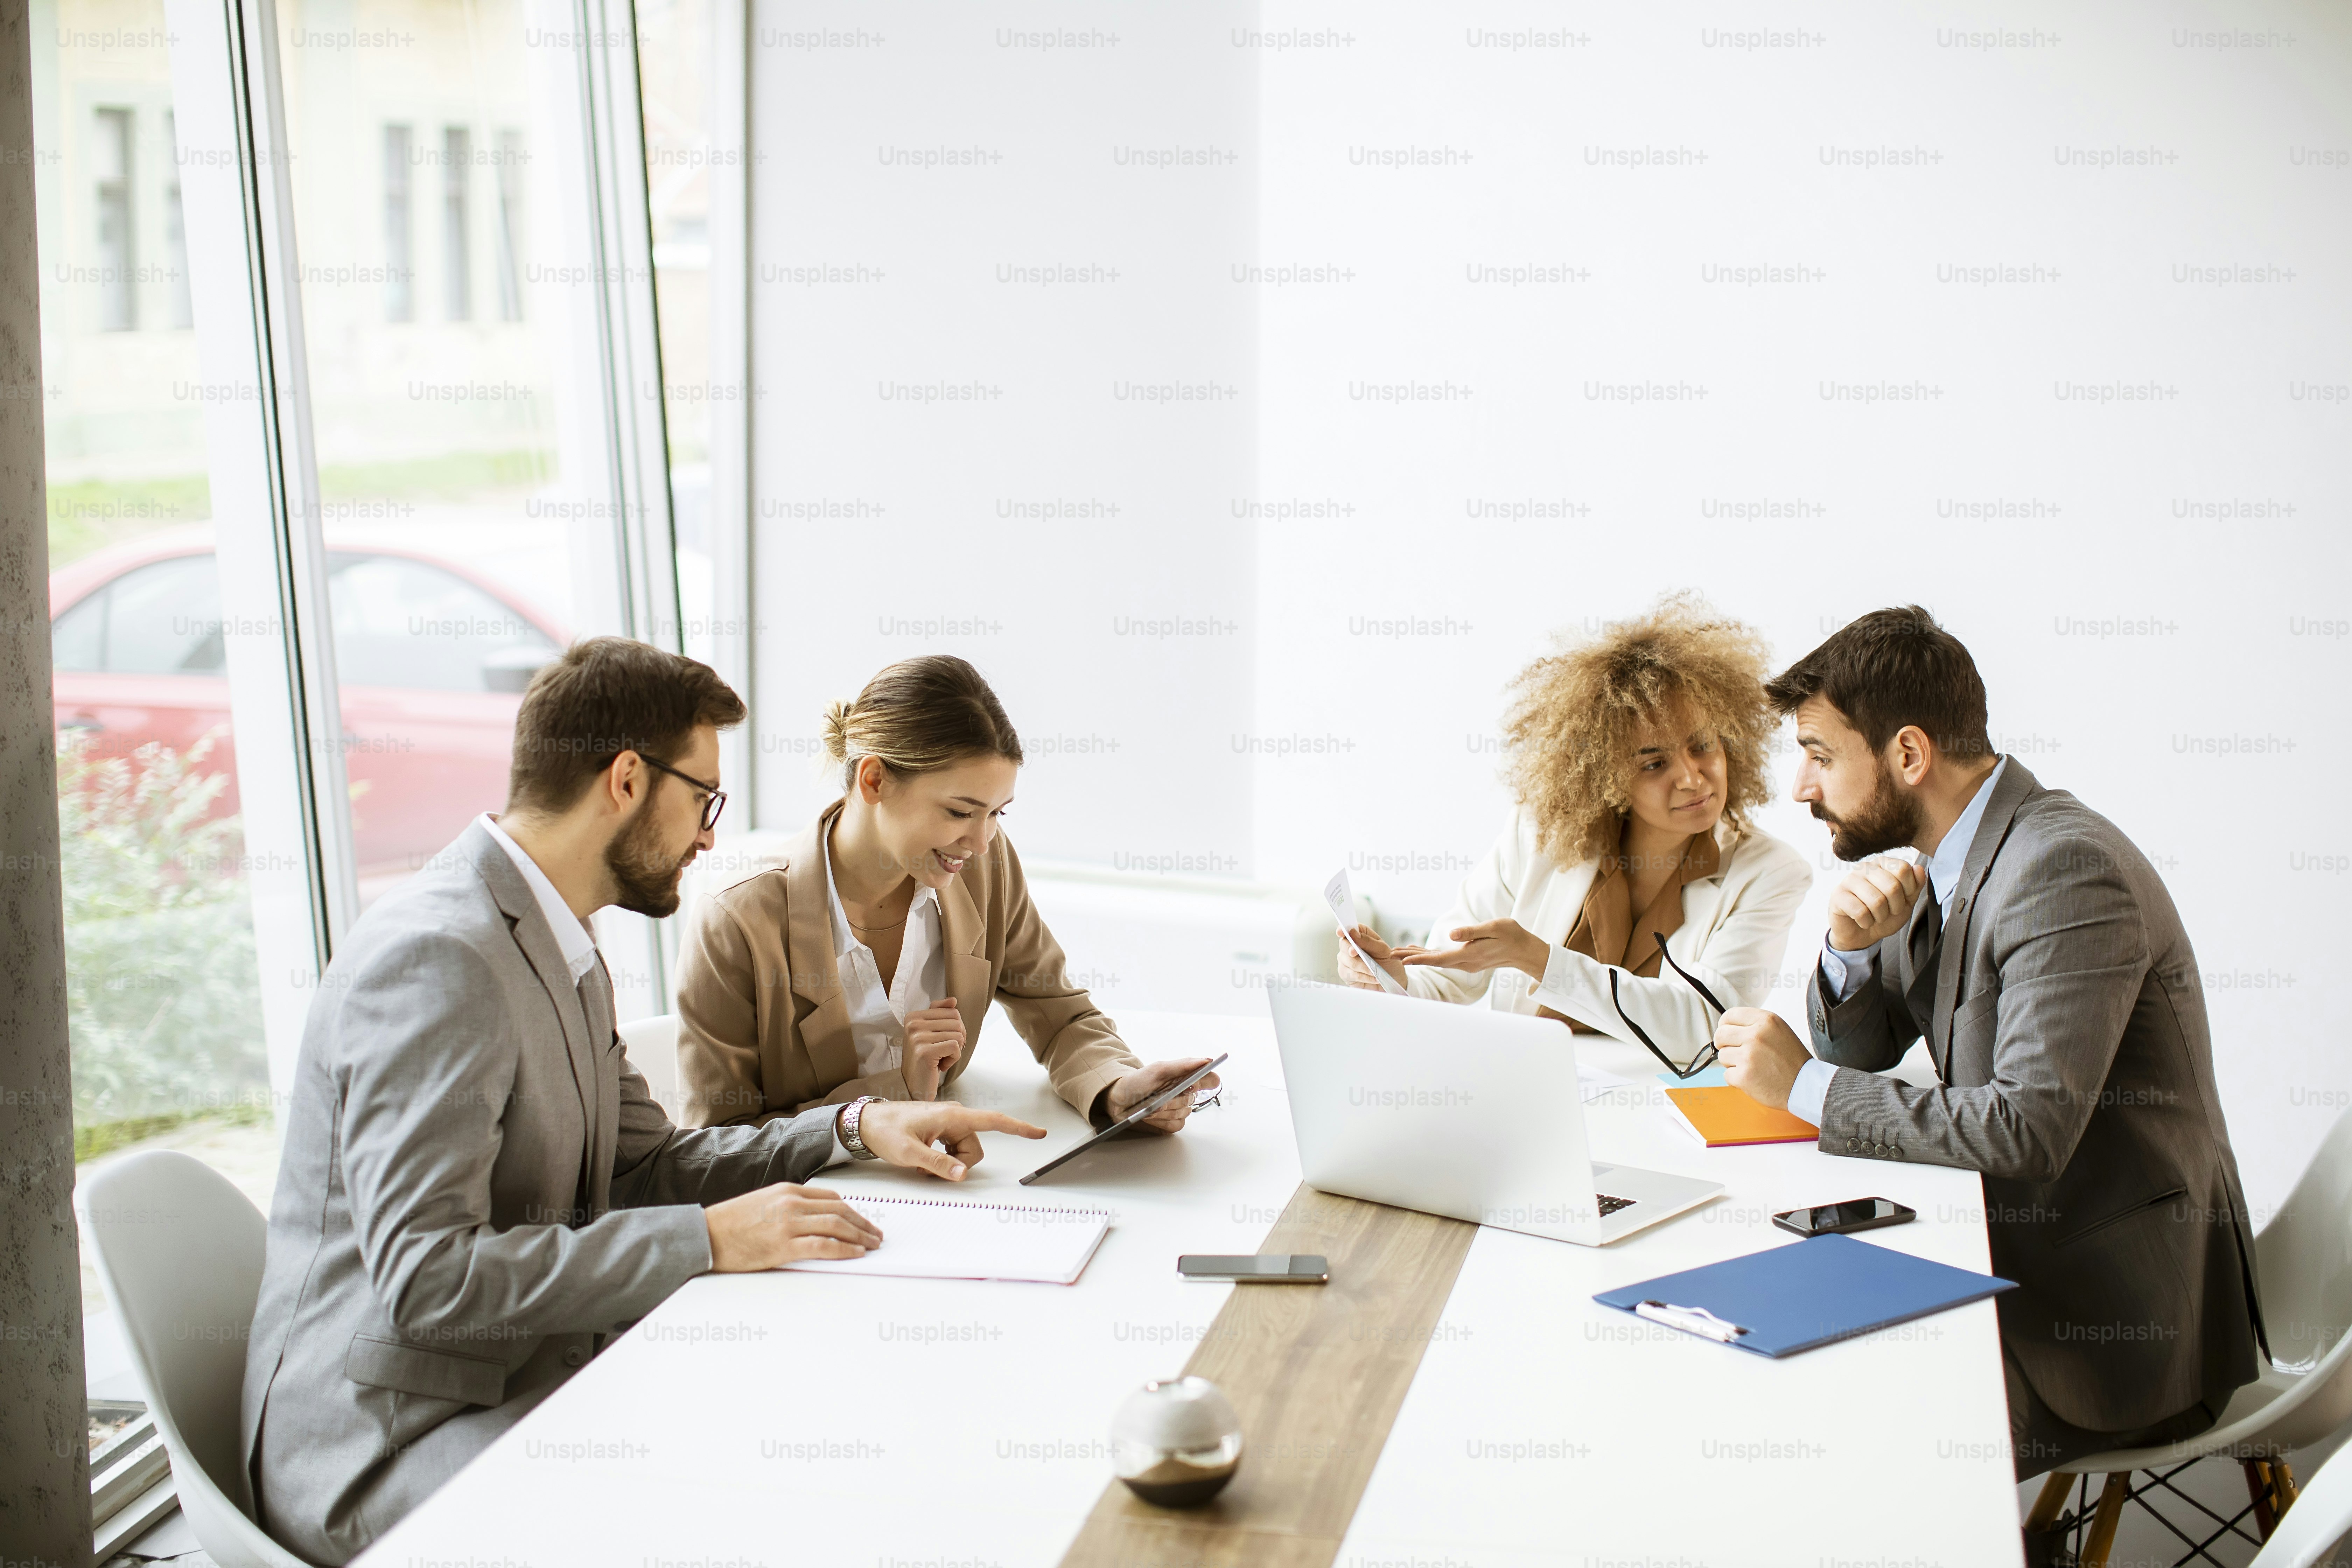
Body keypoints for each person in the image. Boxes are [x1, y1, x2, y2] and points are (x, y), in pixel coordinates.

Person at [239, 639, 1044, 1565]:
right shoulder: (442, 958)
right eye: (703, 799)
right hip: (386, 1439)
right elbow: (427, 1282)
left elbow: (644, 1167)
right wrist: (710, 1242)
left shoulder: (555, 938)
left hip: (519, 1376)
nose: (710, 836)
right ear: (627, 780)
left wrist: (856, 1127)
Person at [1711, 606, 2262, 1498]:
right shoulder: (1943, 852)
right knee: (1776, 1358)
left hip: (2112, 1325)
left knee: (1849, 1444)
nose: (1800, 786)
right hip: (2010, 1254)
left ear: (1909, 755)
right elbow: (1876, 1039)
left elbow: (2025, 1129)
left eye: (1818, 753)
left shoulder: (2061, 869)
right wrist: (1851, 950)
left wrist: (1804, 1086)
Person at [673, 654, 1218, 1138]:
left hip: (950, 1186)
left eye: (996, 813)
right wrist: (895, 1091)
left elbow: (1058, 1012)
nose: (981, 842)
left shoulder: (985, 865)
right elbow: (716, 1144)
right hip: (810, 1210)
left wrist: (1118, 1089)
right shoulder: (737, 920)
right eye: (959, 812)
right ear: (874, 782)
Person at [1340, 595, 1810, 1066]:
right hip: (1529, 1094)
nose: (1692, 777)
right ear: (1606, 776)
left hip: (1662, 1116)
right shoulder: (1538, 836)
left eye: (1703, 745)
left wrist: (1540, 960)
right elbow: (1448, 979)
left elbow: (1707, 1030)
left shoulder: (1771, 872)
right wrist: (1390, 978)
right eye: (1654, 762)